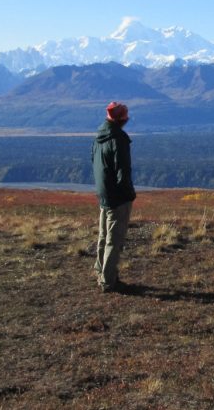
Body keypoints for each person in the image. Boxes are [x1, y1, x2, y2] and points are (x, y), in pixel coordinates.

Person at [92, 101, 137, 292]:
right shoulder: (118, 139)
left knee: (104, 236)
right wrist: (128, 194)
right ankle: (108, 280)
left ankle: (100, 271)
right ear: (121, 119)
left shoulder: (99, 136)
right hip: (118, 198)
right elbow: (123, 171)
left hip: (104, 194)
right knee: (114, 239)